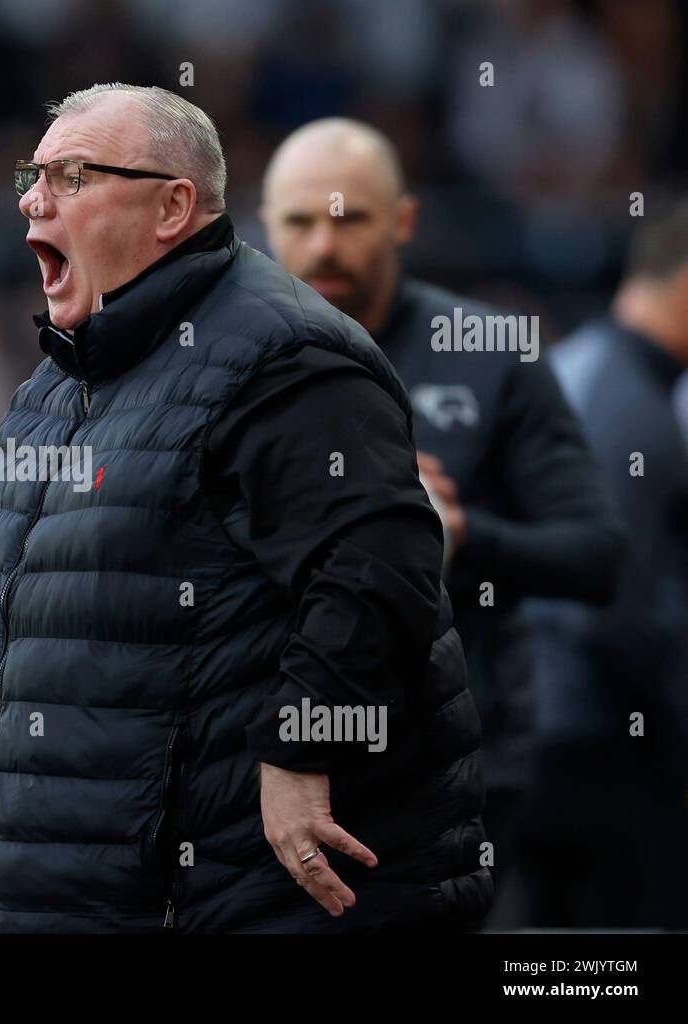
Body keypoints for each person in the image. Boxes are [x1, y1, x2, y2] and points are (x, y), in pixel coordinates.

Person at [0, 84, 490, 934]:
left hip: (251, 899)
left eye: (72, 176)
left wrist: (303, 744)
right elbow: (12, 612)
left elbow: (379, 563)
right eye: (32, 176)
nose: (32, 199)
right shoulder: (56, 384)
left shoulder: (285, 356)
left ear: (173, 207)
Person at [259, 118, 625, 925]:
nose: (324, 245)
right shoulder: (235, 360)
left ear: (404, 220)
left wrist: (460, 538)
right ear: (264, 225)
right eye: (300, 221)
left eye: (351, 218)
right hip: (269, 763)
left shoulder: (489, 353)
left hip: (461, 769)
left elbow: (595, 554)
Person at [524, 204, 688, 928]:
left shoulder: (583, 362)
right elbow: (615, 611)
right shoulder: (635, 406)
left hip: (539, 726)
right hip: (594, 746)